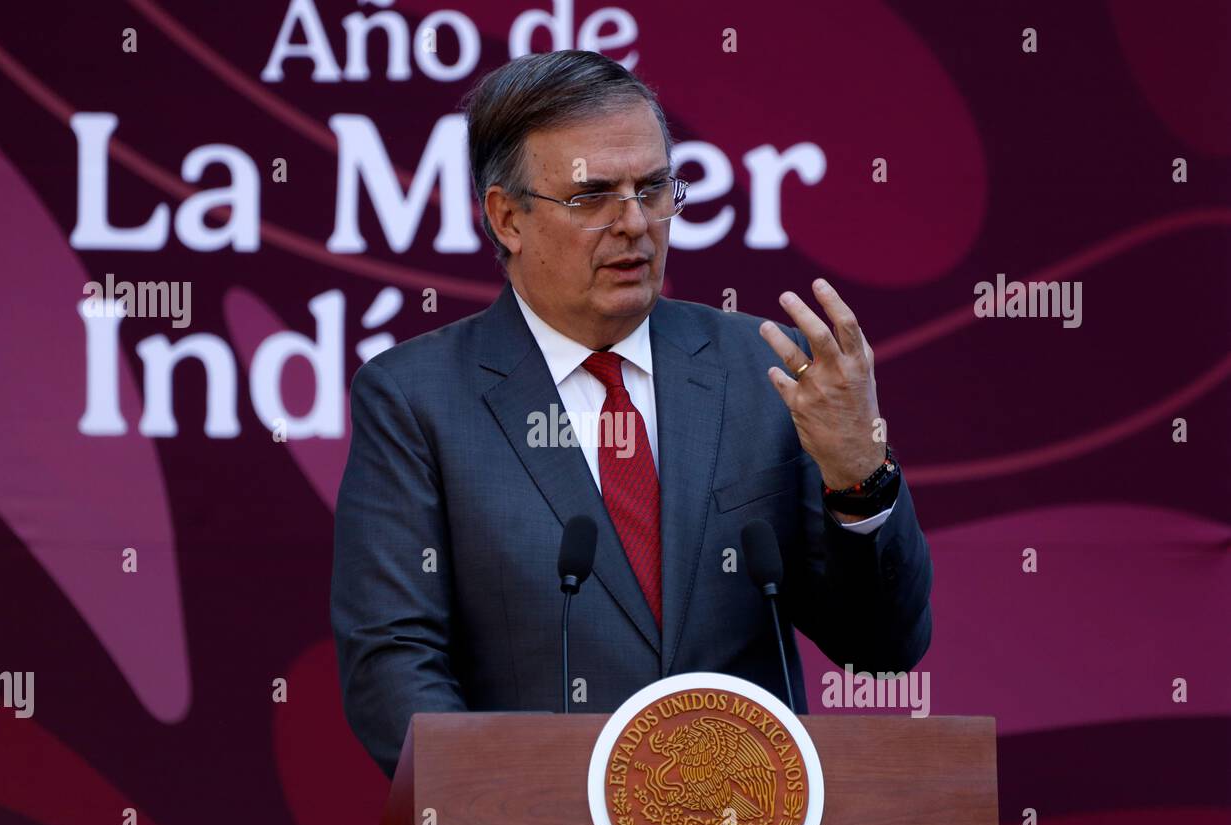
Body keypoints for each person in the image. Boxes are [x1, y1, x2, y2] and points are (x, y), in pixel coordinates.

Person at [331, 50, 932, 779]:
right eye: (592, 197)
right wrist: (510, 824)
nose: (634, 223)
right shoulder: (416, 398)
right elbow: (393, 665)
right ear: (507, 217)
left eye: (653, 189)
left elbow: (881, 649)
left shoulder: (762, 371)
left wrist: (860, 477)